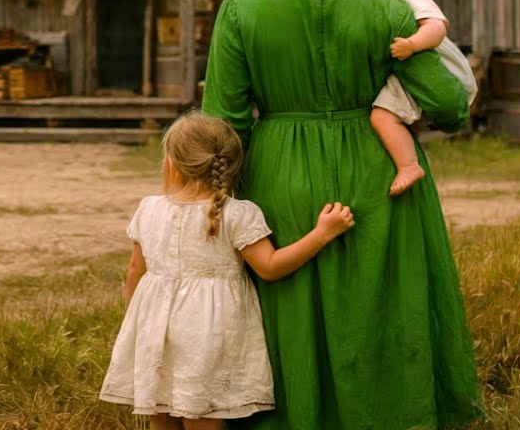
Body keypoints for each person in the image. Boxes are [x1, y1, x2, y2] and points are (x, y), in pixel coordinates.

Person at [202, 0, 483, 429]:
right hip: (382, 171)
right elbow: (450, 106)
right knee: (384, 303)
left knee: (292, 301)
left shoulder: (243, 7)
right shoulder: (391, 11)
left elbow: (225, 123)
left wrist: (215, 200)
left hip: (279, 168)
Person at [99, 111, 356, 429]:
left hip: (155, 329)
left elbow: (135, 270)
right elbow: (271, 267)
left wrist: (137, 321)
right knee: (203, 415)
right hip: (209, 333)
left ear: (172, 162)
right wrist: (322, 234)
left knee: (160, 414)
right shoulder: (238, 214)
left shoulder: (149, 208)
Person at [350, 0, 479, 195]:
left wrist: (412, 44)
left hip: (444, 72)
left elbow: (438, 27)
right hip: (428, 68)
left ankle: (409, 165)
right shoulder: (398, 0)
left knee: (382, 117)